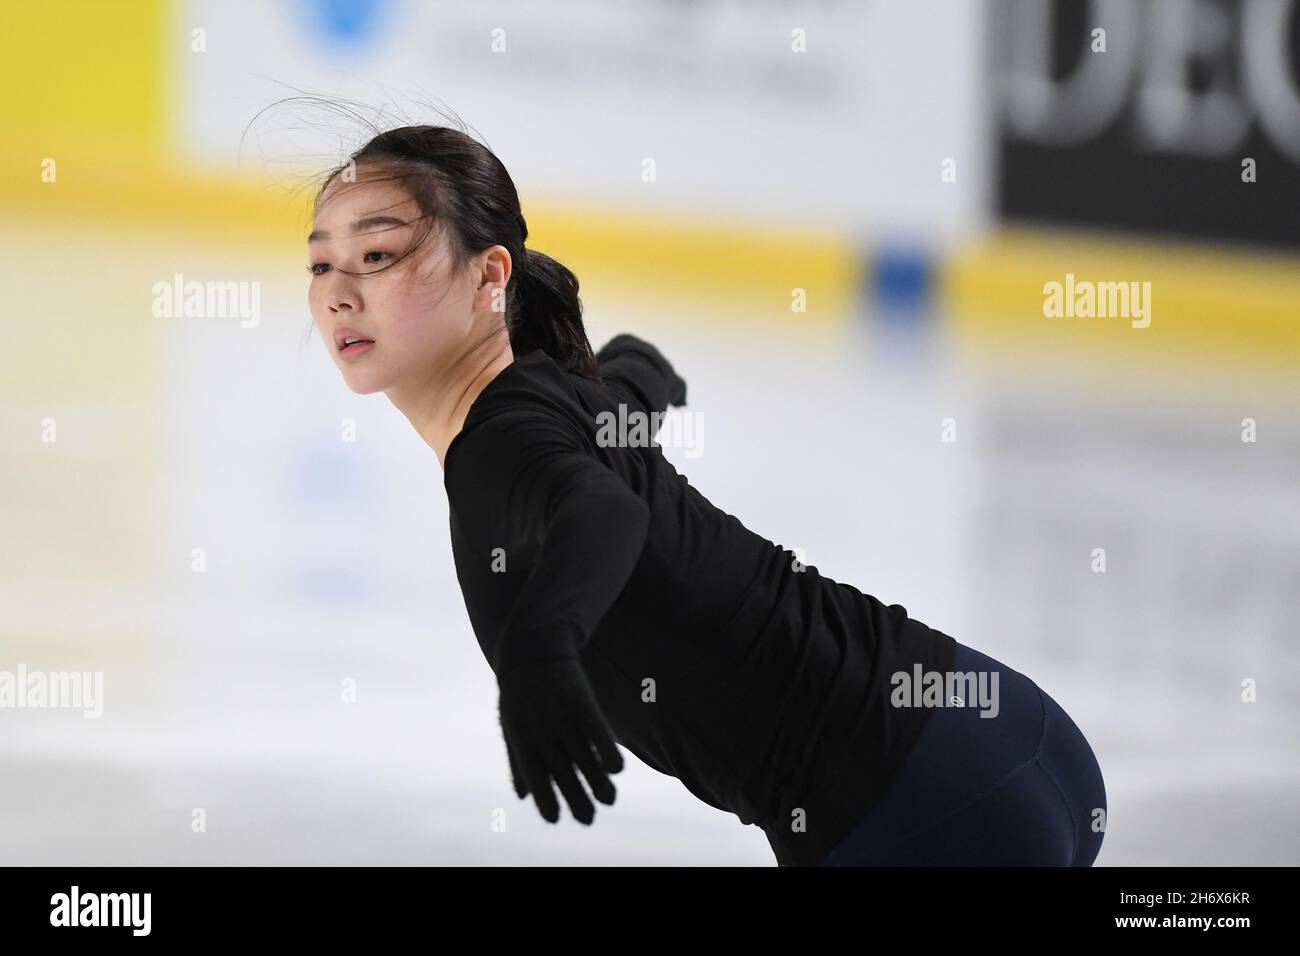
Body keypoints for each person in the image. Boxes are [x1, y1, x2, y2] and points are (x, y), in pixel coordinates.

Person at [305, 122, 1107, 866]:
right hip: (1008, 740)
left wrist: (537, 649)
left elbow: (602, 511)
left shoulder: (499, 444)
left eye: (378, 257)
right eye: (321, 263)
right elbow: (633, 381)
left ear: (489, 275)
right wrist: (647, 372)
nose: (340, 291)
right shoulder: (556, 397)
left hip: (914, 810)